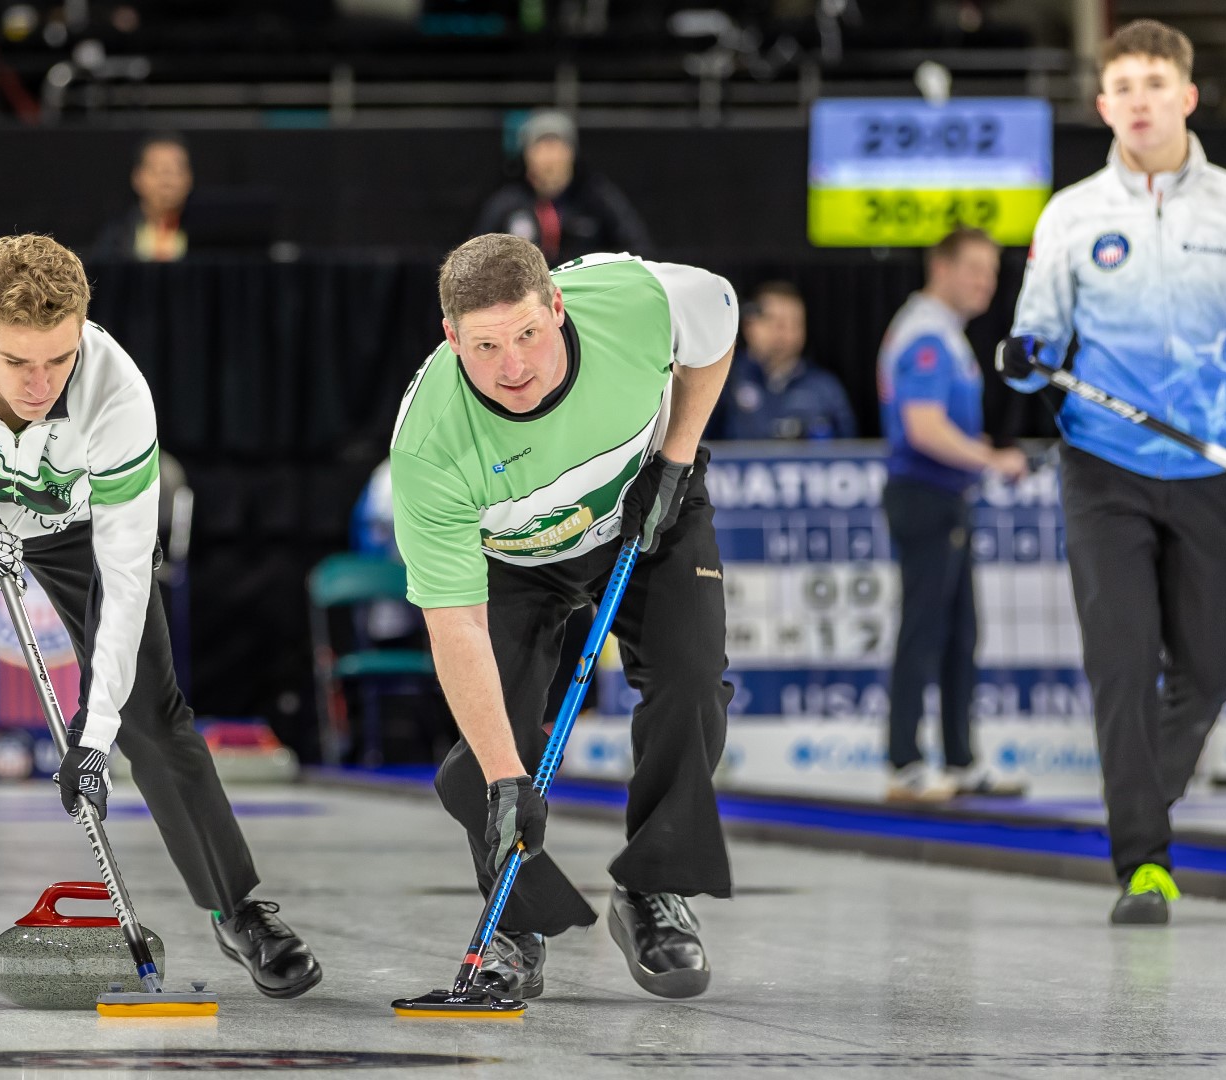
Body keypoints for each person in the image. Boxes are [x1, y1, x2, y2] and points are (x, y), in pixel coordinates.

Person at [0, 235, 320, 1004]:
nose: (40, 385)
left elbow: (127, 580)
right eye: (18, 363)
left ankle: (240, 911)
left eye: (59, 361)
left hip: (75, 522)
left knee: (150, 712)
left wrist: (93, 738)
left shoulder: (119, 395)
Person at [1000, 20, 1226, 925]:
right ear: (1102, 104)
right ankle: (1144, 864)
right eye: (1124, 87)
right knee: (1122, 666)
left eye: (1156, 84)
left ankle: (1137, 807)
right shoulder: (1071, 213)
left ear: (1187, 96)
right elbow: (1037, 342)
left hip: (1206, 464)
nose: (1141, 101)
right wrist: (1026, 358)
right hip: (1101, 466)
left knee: (1208, 669)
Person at [390, 235, 738, 1000]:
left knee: (690, 683)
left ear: (556, 307)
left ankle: (652, 890)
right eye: (485, 347)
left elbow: (718, 316)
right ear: (451, 339)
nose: (513, 366)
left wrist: (677, 457)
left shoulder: (634, 301)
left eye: (527, 334)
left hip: (646, 504)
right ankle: (515, 923)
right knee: (490, 755)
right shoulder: (429, 446)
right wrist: (505, 778)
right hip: (516, 558)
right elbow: (456, 625)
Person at [878, 228, 1031, 802]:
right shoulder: (925, 333)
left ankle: (961, 759)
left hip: (945, 496)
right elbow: (923, 428)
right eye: (975, 269)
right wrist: (993, 458)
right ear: (940, 268)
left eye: (992, 271)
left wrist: (979, 451)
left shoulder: (944, 332)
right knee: (924, 629)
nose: (986, 283)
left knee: (960, 633)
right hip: (925, 495)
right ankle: (905, 762)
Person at [473, 111, 652, 265]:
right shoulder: (506, 203)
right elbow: (477, 259)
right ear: (526, 155)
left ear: (571, 153)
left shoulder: (598, 198)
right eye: (540, 147)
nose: (550, 157)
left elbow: (638, 249)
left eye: (556, 146)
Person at [718, 281, 856, 440]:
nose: (783, 332)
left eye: (794, 323)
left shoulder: (825, 388)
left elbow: (849, 447)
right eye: (773, 321)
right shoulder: (723, 380)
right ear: (749, 325)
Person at [91, 133, 194, 263]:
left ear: (189, 178)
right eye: (156, 169)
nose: (166, 179)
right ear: (137, 178)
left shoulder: (209, 237)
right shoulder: (115, 238)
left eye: (176, 170)